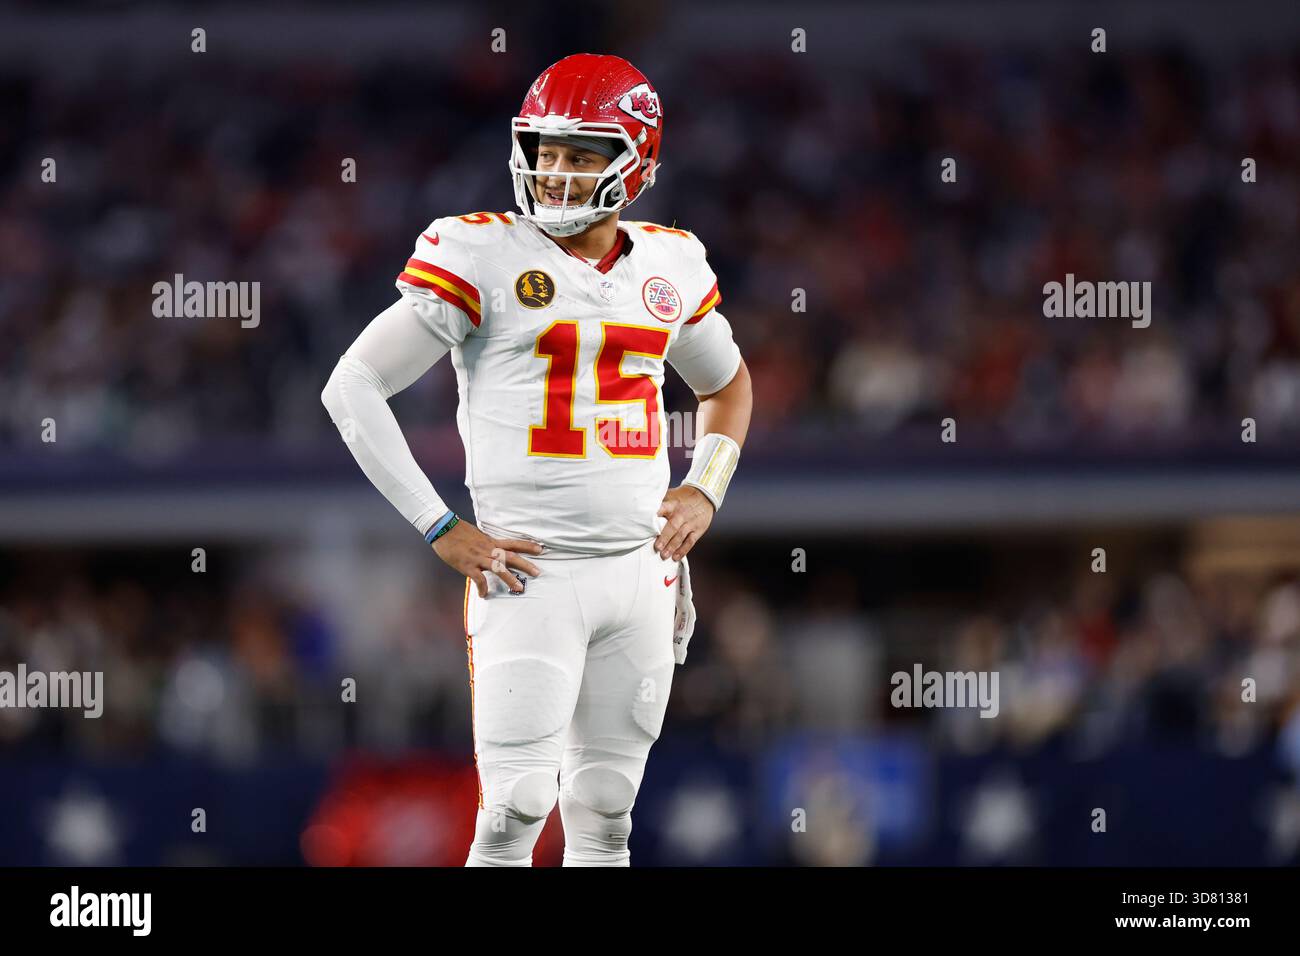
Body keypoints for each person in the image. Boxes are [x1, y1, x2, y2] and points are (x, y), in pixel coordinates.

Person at [321, 53, 752, 866]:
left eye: (582, 154)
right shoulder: (480, 252)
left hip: (641, 571)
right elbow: (353, 386)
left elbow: (728, 387)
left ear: (638, 162)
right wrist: (439, 525)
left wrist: (706, 488)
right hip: (529, 573)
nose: (555, 172)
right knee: (516, 808)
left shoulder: (669, 263)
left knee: (607, 811)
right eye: (545, 149)